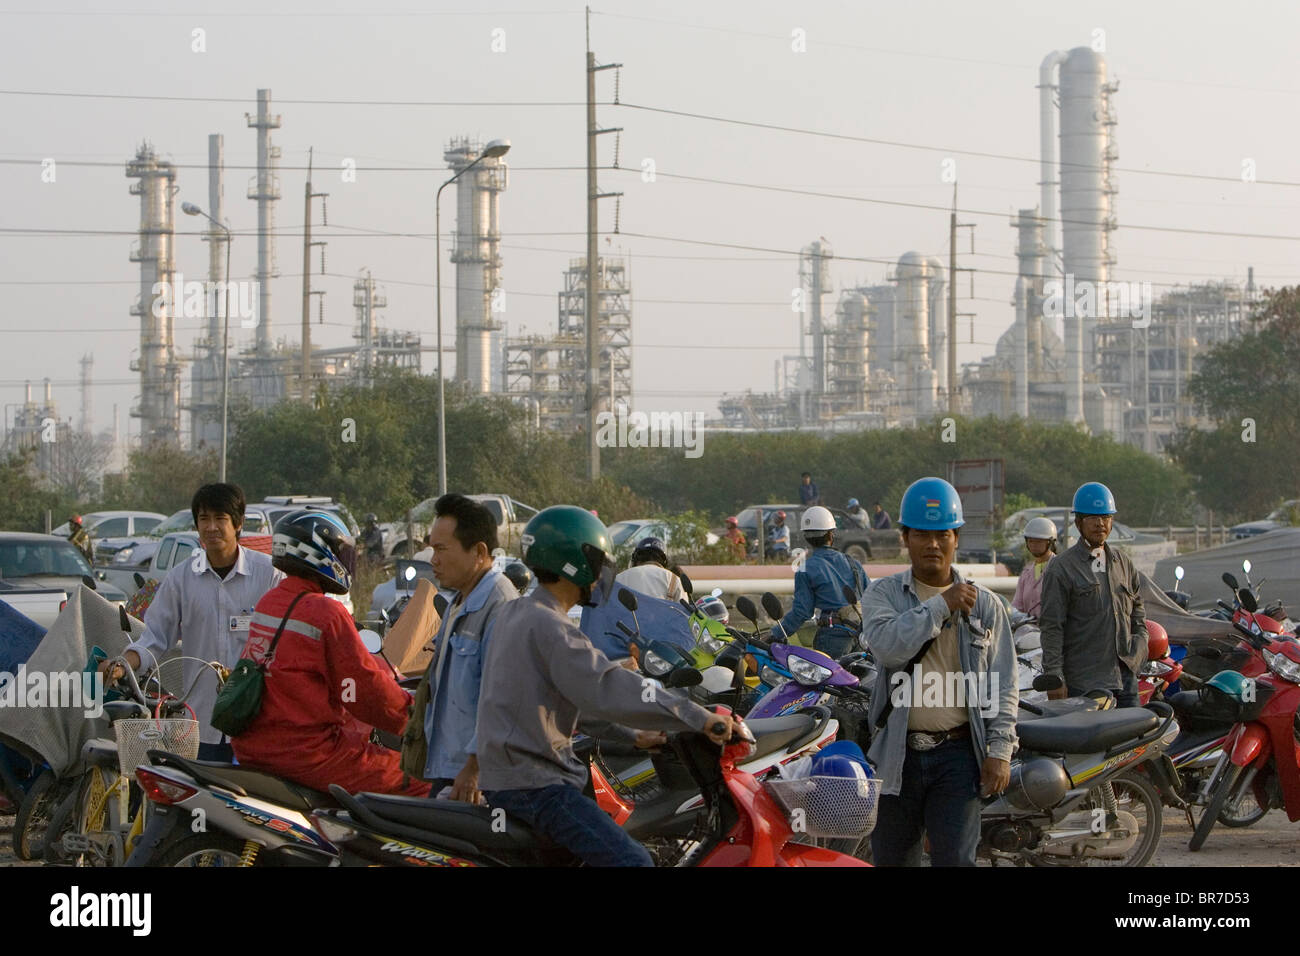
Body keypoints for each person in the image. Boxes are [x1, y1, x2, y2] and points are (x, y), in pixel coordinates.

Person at [474, 506, 735, 867]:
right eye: (597, 564)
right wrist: (699, 717)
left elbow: (565, 698)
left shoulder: (513, 614)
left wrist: (631, 735)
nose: (600, 577)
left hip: (508, 780)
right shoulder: (553, 628)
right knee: (635, 862)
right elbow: (608, 685)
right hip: (537, 786)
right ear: (576, 564)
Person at [862, 477, 1017, 867]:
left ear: (956, 539)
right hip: (896, 756)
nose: (932, 544)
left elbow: (1003, 683)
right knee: (894, 859)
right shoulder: (883, 596)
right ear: (905, 538)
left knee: (955, 861)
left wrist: (999, 751)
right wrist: (940, 606)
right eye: (922, 535)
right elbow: (886, 646)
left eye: (942, 534)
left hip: (959, 757)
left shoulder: (986, 606)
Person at [232, 510, 430, 797]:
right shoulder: (326, 612)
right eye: (342, 553)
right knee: (418, 780)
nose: (348, 562)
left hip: (256, 744)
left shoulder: (270, 602)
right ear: (318, 553)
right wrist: (414, 716)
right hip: (306, 752)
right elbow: (364, 688)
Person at [104, 483, 282, 761]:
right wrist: (122, 665)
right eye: (204, 519)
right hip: (200, 724)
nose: (211, 527)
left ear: (238, 523)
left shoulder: (269, 575)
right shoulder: (181, 579)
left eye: (220, 519)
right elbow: (154, 639)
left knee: (252, 802)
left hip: (256, 724)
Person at [400, 494, 518, 802]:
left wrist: (475, 767)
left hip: (474, 777)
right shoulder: (458, 601)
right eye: (431, 548)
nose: (433, 559)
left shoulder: (500, 604)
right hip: (448, 767)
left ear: (479, 552)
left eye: (441, 549)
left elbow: (504, 698)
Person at [1038, 482, 1147, 708]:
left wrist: (1139, 648)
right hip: (1086, 682)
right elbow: (1051, 627)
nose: (1100, 523)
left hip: (1126, 678)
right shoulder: (1062, 568)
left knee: (1134, 741)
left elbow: (1138, 610)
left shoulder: (1123, 563)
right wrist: (1055, 677)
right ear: (1078, 522)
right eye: (1092, 518)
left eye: (1105, 517)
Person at [771, 506, 869, 658]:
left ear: (807, 537)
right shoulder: (853, 563)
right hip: (861, 637)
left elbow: (802, 612)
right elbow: (872, 598)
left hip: (831, 639)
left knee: (825, 682)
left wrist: (775, 634)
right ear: (831, 535)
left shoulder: (805, 569)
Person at [614, 536, 685, 603]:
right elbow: (684, 613)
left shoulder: (618, 578)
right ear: (664, 562)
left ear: (635, 559)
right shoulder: (673, 579)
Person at [1011, 516, 1057, 619]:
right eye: (1031, 541)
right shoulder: (1026, 572)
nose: (1034, 545)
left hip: (1053, 631)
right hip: (1028, 631)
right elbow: (1017, 605)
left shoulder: (1061, 568)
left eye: (1039, 541)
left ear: (1050, 542)